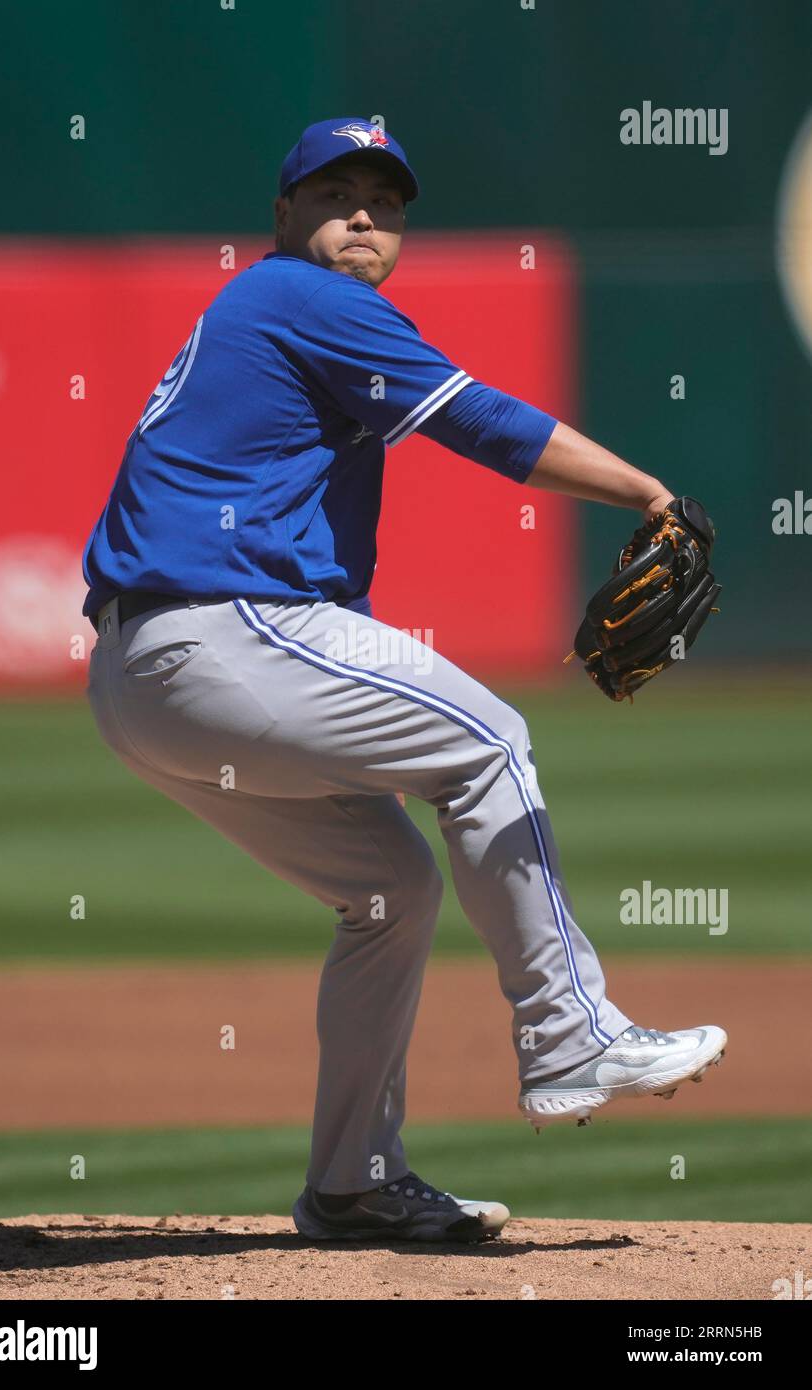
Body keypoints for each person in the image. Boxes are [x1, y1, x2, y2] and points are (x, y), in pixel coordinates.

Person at [82, 117, 726, 1244]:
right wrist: (648, 493)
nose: (364, 215)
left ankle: (351, 1181)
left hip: (149, 679)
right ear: (283, 217)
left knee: (389, 887)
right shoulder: (299, 296)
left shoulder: (268, 321)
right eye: (335, 192)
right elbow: (484, 423)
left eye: (384, 198)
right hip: (215, 629)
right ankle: (566, 1031)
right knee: (489, 739)